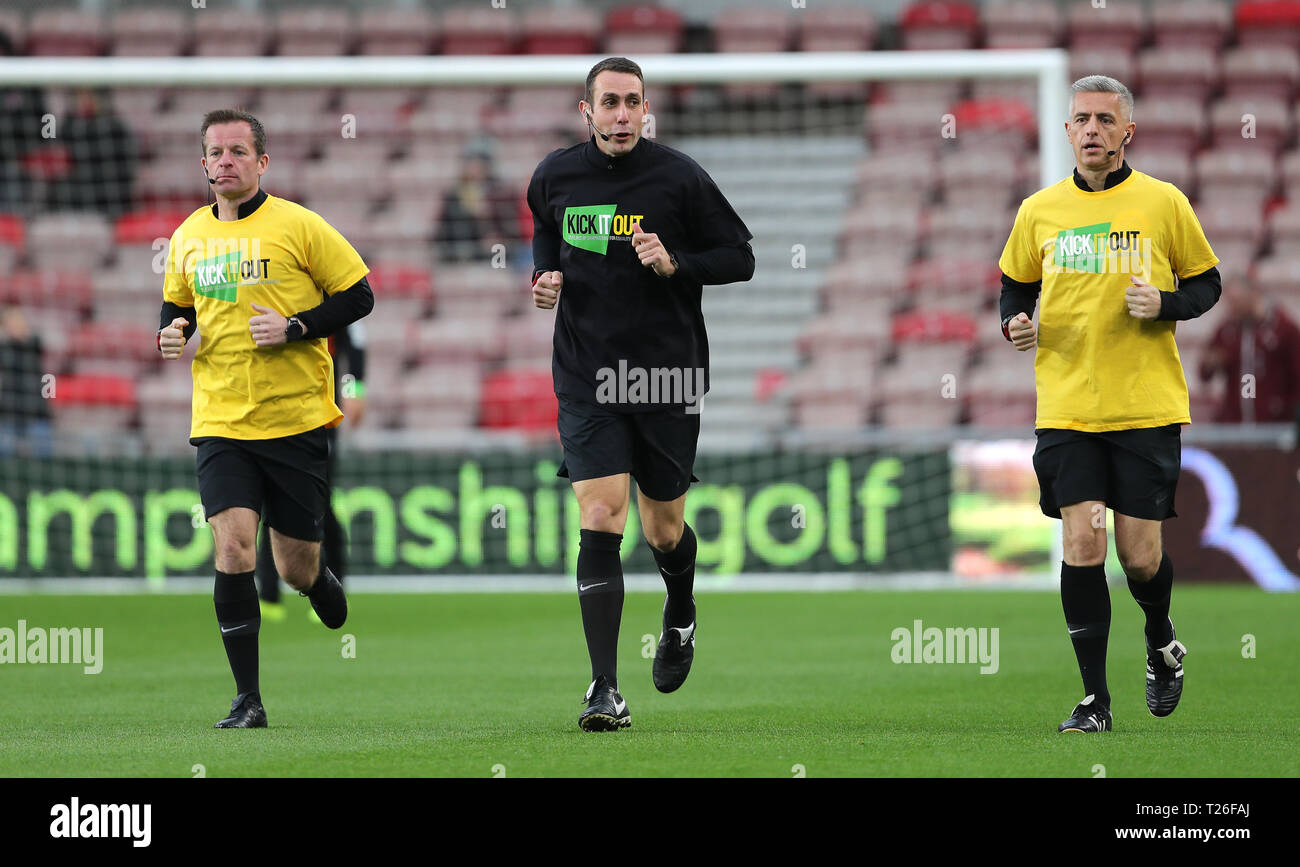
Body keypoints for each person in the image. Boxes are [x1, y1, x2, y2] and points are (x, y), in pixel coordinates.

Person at [527, 57, 754, 731]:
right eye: (610, 103)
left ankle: (680, 608)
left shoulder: (678, 176)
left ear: (645, 108)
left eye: (633, 102)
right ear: (586, 110)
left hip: (666, 375)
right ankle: (604, 688)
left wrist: (676, 262)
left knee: (662, 527)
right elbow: (545, 226)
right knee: (600, 512)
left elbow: (739, 256)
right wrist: (545, 273)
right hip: (586, 374)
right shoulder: (554, 175)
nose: (622, 114)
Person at [998, 76, 1221, 733]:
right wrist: (1014, 323)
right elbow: (1014, 286)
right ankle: (1095, 700)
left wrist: (1167, 303)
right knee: (1083, 540)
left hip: (1145, 406)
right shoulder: (1039, 210)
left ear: (1128, 131)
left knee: (1141, 556)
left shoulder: (1162, 203)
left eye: (1104, 119)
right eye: (1081, 119)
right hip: (1066, 406)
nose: (1091, 129)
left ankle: (1160, 638)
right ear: (1066, 131)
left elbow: (1207, 280)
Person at [158, 109, 373, 729]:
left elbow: (360, 294)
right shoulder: (188, 237)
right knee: (231, 546)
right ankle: (247, 699)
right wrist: (172, 334)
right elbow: (178, 310)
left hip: (295, 419)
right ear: (203, 165)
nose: (225, 161)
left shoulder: (298, 225)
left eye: (237, 152)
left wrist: (297, 327)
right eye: (216, 153)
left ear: (261, 162)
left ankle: (319, 581)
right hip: (221, 419)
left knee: (295, 565)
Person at [256, 320, 367, 621]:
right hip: (275, 407)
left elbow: (354, 342)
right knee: (272, 492)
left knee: (318, 498)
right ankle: (268, 594)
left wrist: (354, 388)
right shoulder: (278, 285)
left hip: (320, 410)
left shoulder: (332, 288)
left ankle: (332, 587)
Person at [1197, 277, 1300, 424]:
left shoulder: (1284, 328)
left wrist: (1290, 412)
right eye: (1230, 303)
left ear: (1253, 294)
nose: (1232, 308)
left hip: (1276, 422)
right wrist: (1211, 362)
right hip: (1234, 422)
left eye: (1236, 301)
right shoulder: (1227, 330)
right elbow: (1204, 372)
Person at [51, 88, 136, 215]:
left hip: (106, 202)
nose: (85, 101)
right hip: (71, 203)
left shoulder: (115, 128)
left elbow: (124, 172)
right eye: (80, 96)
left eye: (90, 95)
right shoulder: (65, 128)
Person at [434, 139, 520, 264]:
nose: (475, 168)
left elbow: (511, 227)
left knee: (499, 251)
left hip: (495, 252)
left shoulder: (502, 193)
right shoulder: (454, 194)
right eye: (471, 163)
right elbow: (444, 230)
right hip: (461, 252)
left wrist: (494, 233)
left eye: (479, 163)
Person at [0, 306, 53, 458]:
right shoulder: (5, 348)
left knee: (43, 453)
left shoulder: (34, 345)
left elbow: (37, 342)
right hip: (9, 413)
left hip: (36, 412)